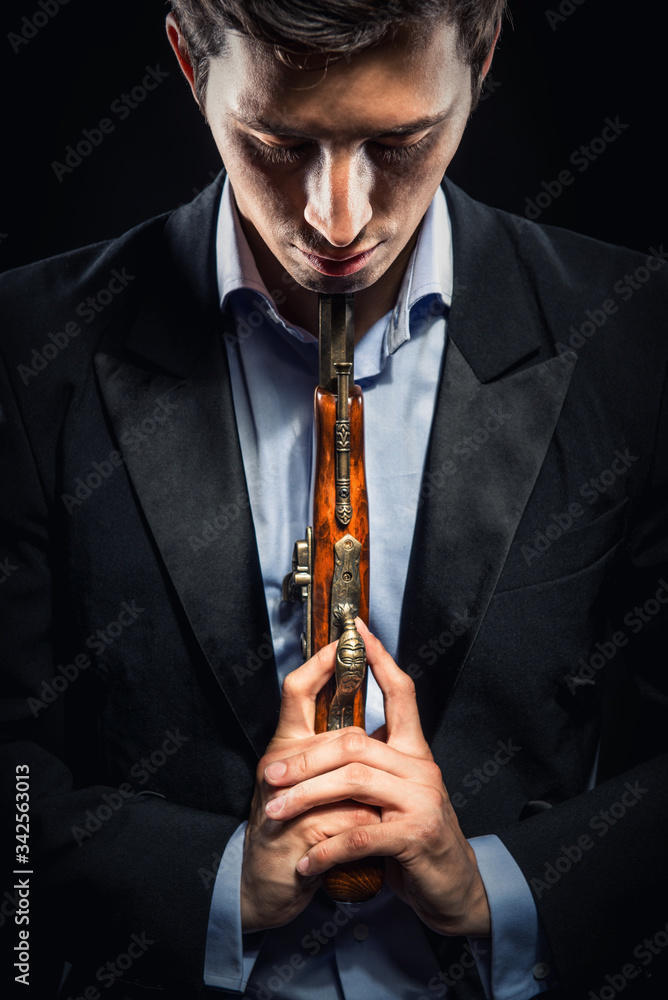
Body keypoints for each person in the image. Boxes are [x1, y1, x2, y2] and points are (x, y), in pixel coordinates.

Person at [0, 2, 666, 998]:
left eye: (399, 143)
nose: (336, 220)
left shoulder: (638, 335)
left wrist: (502, 890)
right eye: (278, 144)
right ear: (188, 61)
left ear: (483, 55)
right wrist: (209, 886)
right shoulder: (23, 347)